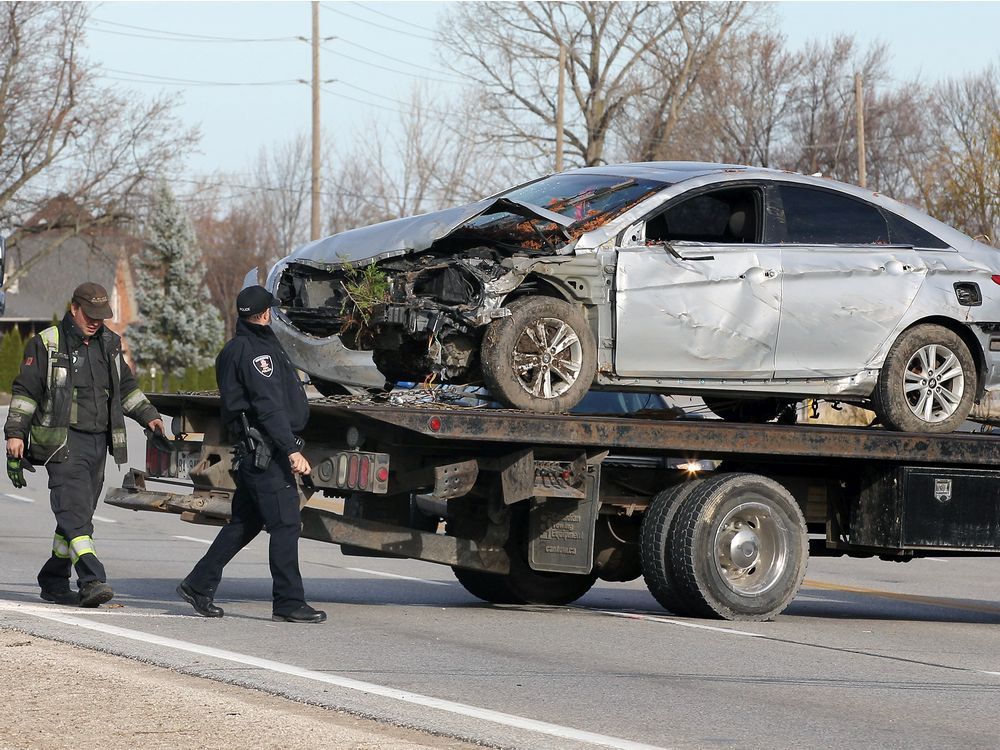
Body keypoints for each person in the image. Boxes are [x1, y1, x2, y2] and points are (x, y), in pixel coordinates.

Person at [4, 282, 163, 607]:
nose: (95, 321)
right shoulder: (47, 343)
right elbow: (26, 391)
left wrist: (149, 416)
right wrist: (15, 433)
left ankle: (53, 579)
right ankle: (92, 579)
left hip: (99, 442)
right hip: (61, 441)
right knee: (73, 510)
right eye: (90, 315)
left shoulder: (110, 343)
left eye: (101, 316)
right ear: (74, 308)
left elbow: (126, 388)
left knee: (80, 516)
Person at [176, 285, 325, 623]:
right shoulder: (258, 353)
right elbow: (268, 407)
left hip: (253, 451)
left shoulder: (235, 349)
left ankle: (198, 583)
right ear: (264, 314)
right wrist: (289, 450)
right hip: (266, 452)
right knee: (286, 523)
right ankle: (288, 602)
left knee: (245, 523)